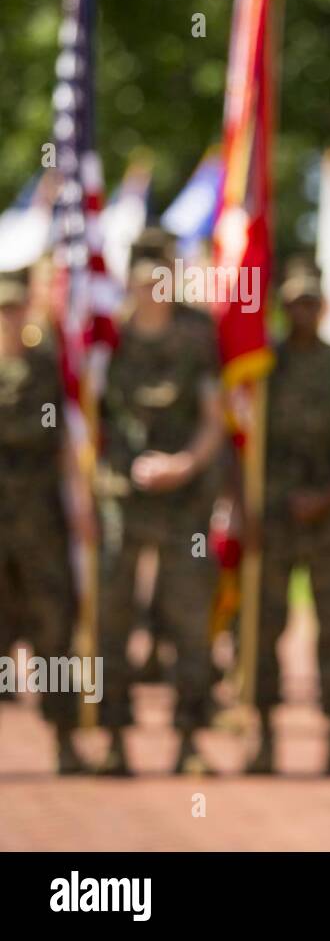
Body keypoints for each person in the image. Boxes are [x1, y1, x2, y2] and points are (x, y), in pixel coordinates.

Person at [96, 250, 226, 775]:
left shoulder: (196, 340)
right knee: (112, 622)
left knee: (188, 622)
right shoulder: (106, 338)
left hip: (183, 503)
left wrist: (184, 465)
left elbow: (215, 418)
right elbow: (87, 417)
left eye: (160, 282)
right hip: (120, 502)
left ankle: (190, 739)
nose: (152, 291)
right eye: (143, 283)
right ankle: (112, 739)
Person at [247, 262, 330, 775]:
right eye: (293, 303)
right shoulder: (261, 367)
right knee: (262, 627)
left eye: (311, 303)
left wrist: (328, 498)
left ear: (323, 307)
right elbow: (243, 441)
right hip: (274, 516)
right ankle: (262, 733)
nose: (302, 312)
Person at [0, 273, 87, 772]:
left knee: (54, 635)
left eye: (17, 309)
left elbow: (58, 435)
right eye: (3, 310)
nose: (10, 319)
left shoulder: (46, 371)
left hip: (39, 525)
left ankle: (66, 739)